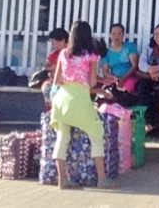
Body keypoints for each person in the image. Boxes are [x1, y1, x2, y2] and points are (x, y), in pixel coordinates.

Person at [50, 20, 113, 190]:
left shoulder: (63, 53)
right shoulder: (91, 57)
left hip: (62, 98)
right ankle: (102, 180)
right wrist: (99, 83)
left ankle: (62, 180)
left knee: (62, 138)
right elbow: (92, 82)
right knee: (96, 134)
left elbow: (57, 80)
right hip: (80, 99)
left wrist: (73, 81)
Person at [99, 23, 139, 93]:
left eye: (119, 34)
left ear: (123, 35)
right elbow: (105, 72)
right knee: (104, 94)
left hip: (129, 78)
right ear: (110, 35)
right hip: (113, 80)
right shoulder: (106, 52)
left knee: (124, 94)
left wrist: (123, 79)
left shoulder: (130, 46)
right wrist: (115, 79)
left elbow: (134, 66)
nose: (116, 36)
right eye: (113, 34)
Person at [40, 27, 68, 110]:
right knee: (46, 87)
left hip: (68, 81)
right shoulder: (55, 53)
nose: (53, 46)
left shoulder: (71, 52)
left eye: (54, 43)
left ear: (62, 41)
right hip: (54, 80)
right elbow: (46, 65)